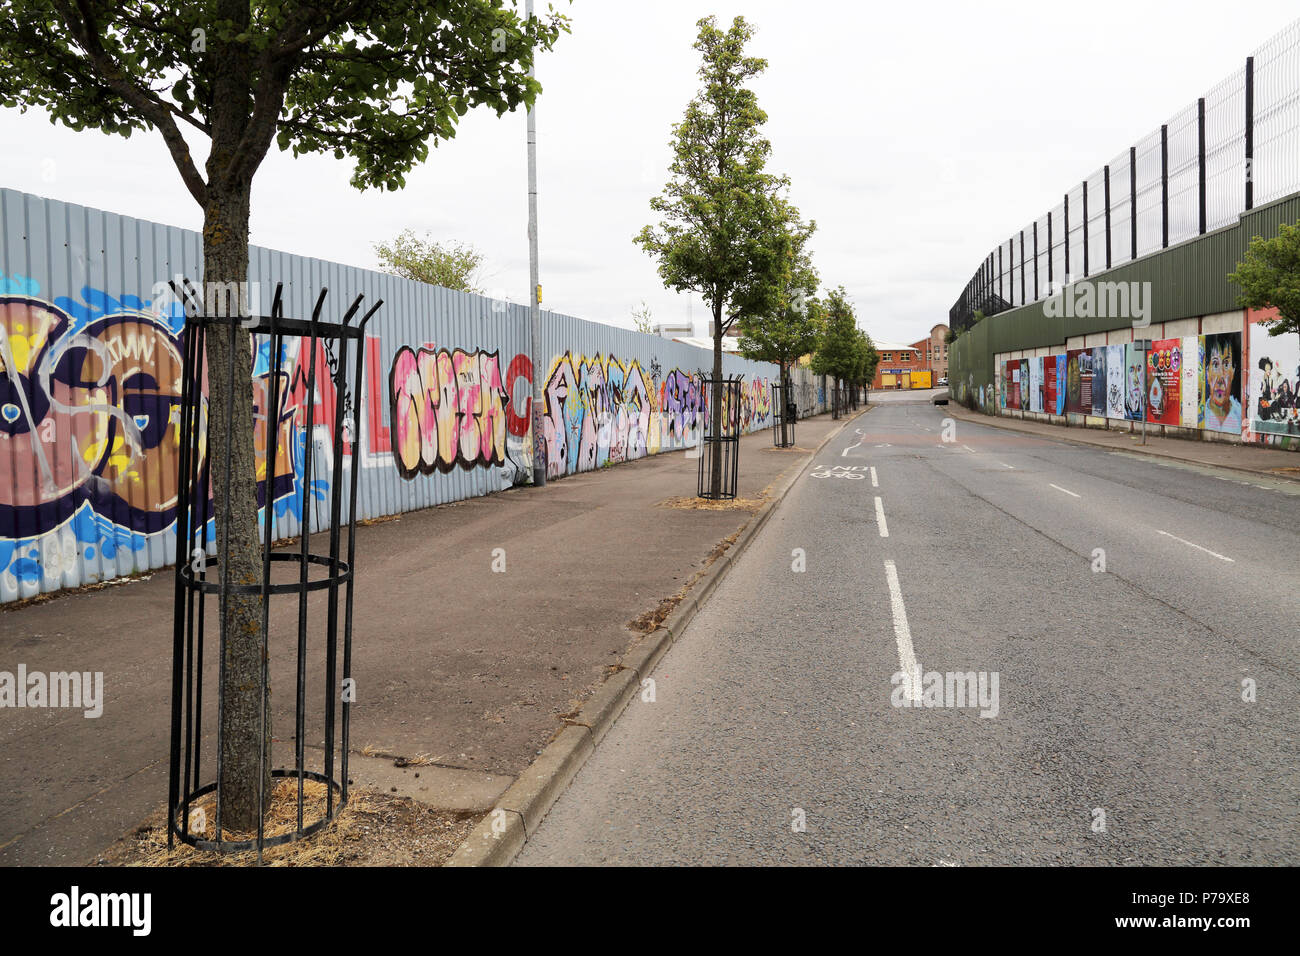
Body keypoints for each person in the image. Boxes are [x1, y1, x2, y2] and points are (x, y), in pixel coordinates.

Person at [1202, 337, 1241, 432]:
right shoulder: (1200, 415)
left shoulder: (1240, 413)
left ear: (1233, 371)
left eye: (1226, 364)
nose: (1220, 378)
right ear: (1207, 371)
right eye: (1215, 364)